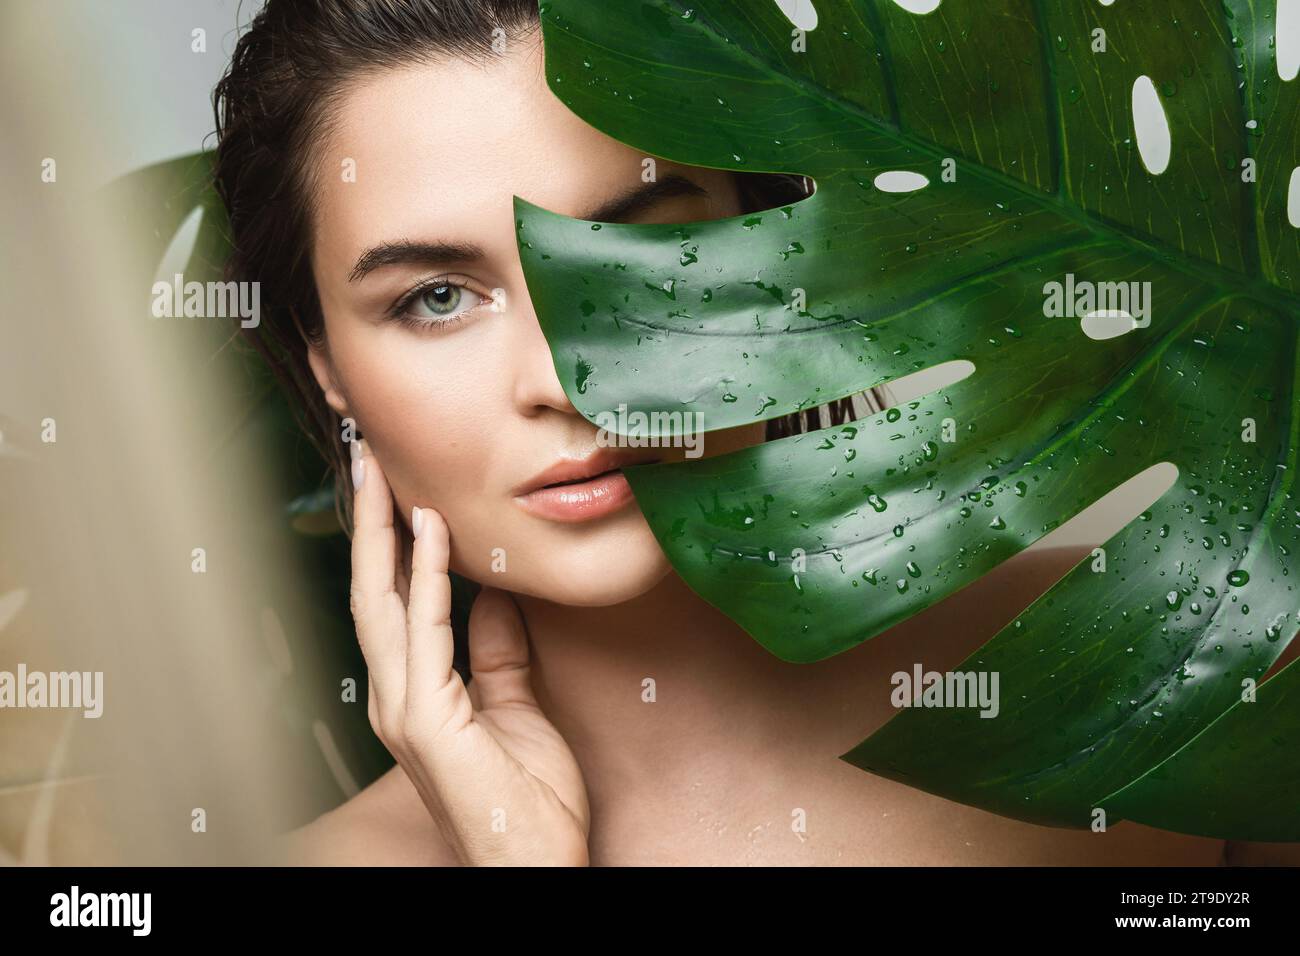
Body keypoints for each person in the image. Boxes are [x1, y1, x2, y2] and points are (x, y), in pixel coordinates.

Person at [212, 0, 1296, 865]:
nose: (564, 376)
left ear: (778, 259)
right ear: (328, 371)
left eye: (639, 253)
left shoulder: (1195, 666)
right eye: (437, 297)